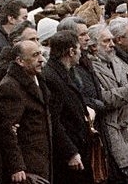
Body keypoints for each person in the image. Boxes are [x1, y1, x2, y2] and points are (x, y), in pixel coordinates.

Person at [0, 39, 52, 183]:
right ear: (20, 61)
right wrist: (16, 167)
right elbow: (5, 130)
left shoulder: (37, 79)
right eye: (35, 55)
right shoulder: (10, 87)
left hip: (41, 159)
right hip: (27, 166)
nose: (42, 60)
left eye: (41, 54)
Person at [91, 21, 128, 184]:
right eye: (105, 41)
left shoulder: (117, 61)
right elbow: (103, 98)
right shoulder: (91, 67)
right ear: (93, 45)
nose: (111, 45)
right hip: (111, 129)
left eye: (112, 40)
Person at [43, 30, 93, 182]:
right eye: (78, 49)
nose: (81, 53)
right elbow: (54, 120)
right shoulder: (52, 77)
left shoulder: (66, 73)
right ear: (71, 51)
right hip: (68, 155)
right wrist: (70, 152)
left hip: (78, 145)